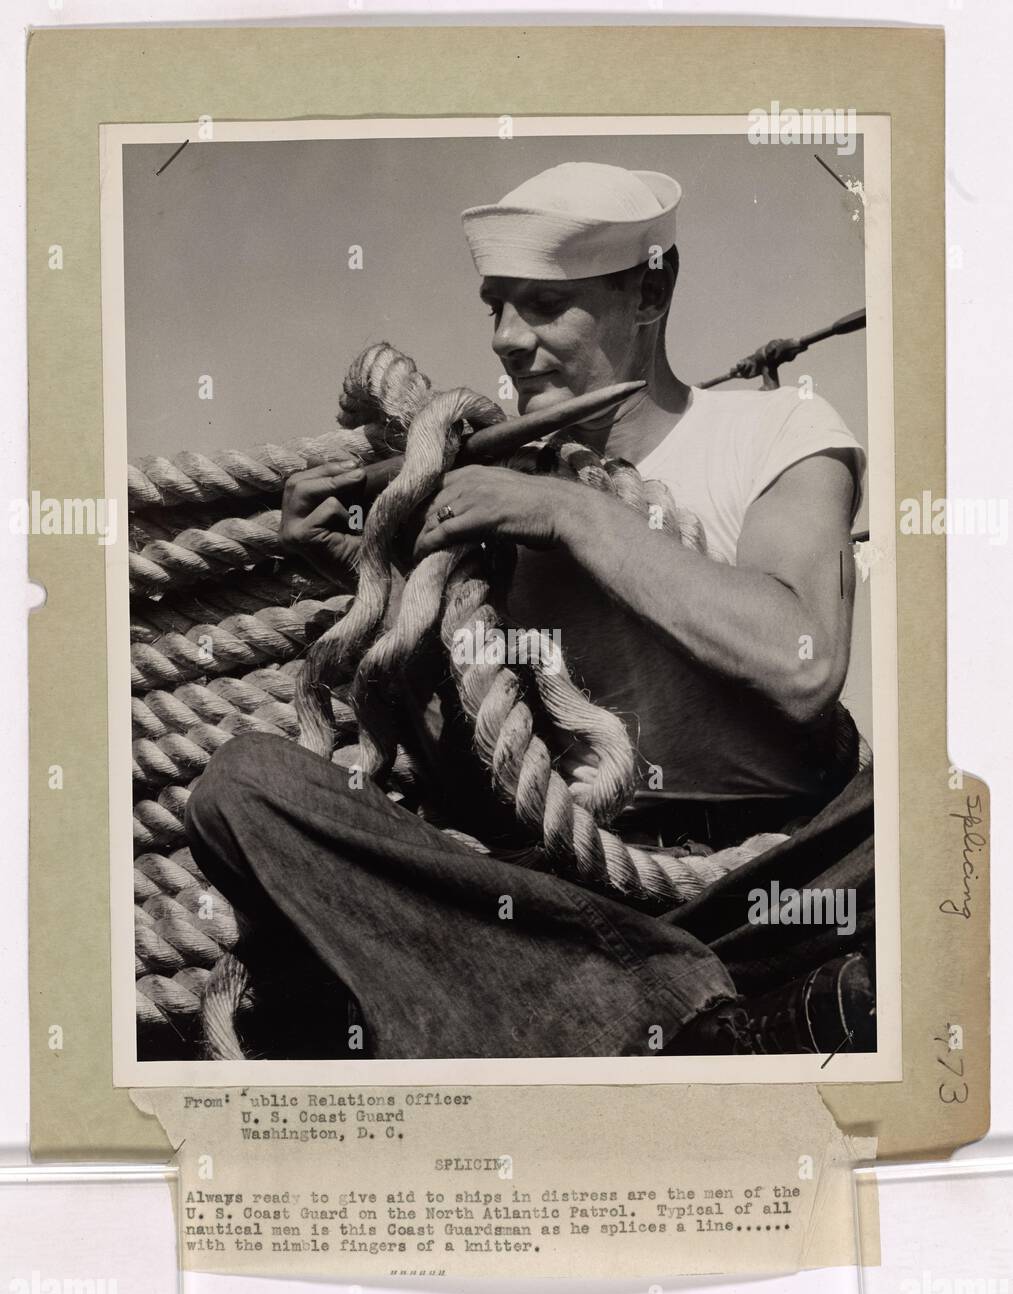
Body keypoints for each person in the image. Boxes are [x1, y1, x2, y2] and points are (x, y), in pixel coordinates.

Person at [186, 163, 874, 1060]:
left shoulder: (780, 435)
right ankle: (681, 1014)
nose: (509, 338)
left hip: (768, 877)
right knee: (241, 787)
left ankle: (602, 1007)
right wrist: (363, 557)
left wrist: (567, 511)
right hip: (555, 895)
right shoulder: (478, 482)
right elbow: (447, 766)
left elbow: (801, 663)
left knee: (932, 812)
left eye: (545, 306)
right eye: (495, 307)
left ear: (650, 289)